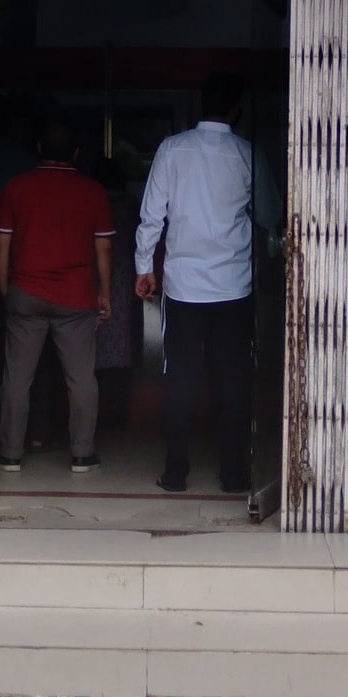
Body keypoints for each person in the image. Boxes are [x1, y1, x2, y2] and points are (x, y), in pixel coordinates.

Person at [135, 72, 266, 494]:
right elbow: (269, 214)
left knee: (180, 378)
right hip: (234, 285)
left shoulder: (172, 149)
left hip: (184, 287)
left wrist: (144, 267)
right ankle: (234, 475)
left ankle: (176, 474)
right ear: (236, 110)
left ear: (199, 106)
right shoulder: (248, 154)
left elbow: (152, 216)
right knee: (234, 377)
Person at [0, 118, 114, 472]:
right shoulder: (92, 191)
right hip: (75, 297)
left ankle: (10, 454)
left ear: (38, 149)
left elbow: (2, 244)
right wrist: (104, 294)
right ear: (76, 153)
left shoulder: (17, 187)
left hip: (25, 292)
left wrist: (6, 287)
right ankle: (82, 454)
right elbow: (104, 248)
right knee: (81, 378)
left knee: (17, 377)